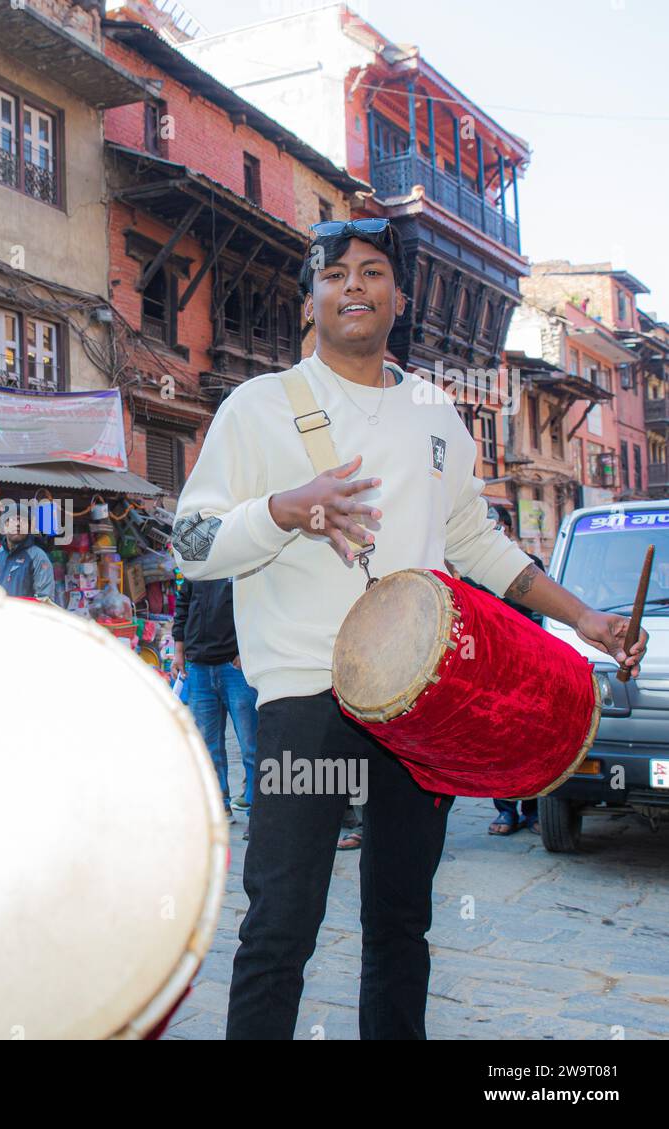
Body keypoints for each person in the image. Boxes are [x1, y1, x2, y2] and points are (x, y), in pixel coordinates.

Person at [173, 216, 646, 1041]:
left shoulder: (433, 410)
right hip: (303, 699)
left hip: (422, 703)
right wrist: (287, 507)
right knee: (280, 924)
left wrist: (584, 619)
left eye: (372, 271)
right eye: (333, 273)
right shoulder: (258, 407)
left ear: (399, 296)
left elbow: (474, 540)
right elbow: (190, 544)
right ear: (308, 301)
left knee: (402, 920)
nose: (353, 285)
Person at [482, 507, 548, 836]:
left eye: (495, 524)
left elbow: (541, 615)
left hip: (527, 665)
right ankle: (505, 811)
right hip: (492, 669)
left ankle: (534, 810)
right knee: (498, 742)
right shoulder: (472, 572)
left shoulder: (530, 567)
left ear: (506, 529)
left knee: (531, 739)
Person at [173, 578, 257, 824]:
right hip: (198, 667)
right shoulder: (196, 563)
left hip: (234, 667)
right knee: (208, 748)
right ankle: (219, 807)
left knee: (251, 746)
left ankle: (258, 812)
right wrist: (179, 652)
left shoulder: (239, 557)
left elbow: (255, 606)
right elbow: (183, 604)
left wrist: (247, 650)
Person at [0, 512, 55, 600]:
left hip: (25, 613)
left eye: (23, 521)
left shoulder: (38, 557)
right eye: (13, 520)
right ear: (4, 527)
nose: (17, 524)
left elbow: (44, 598)